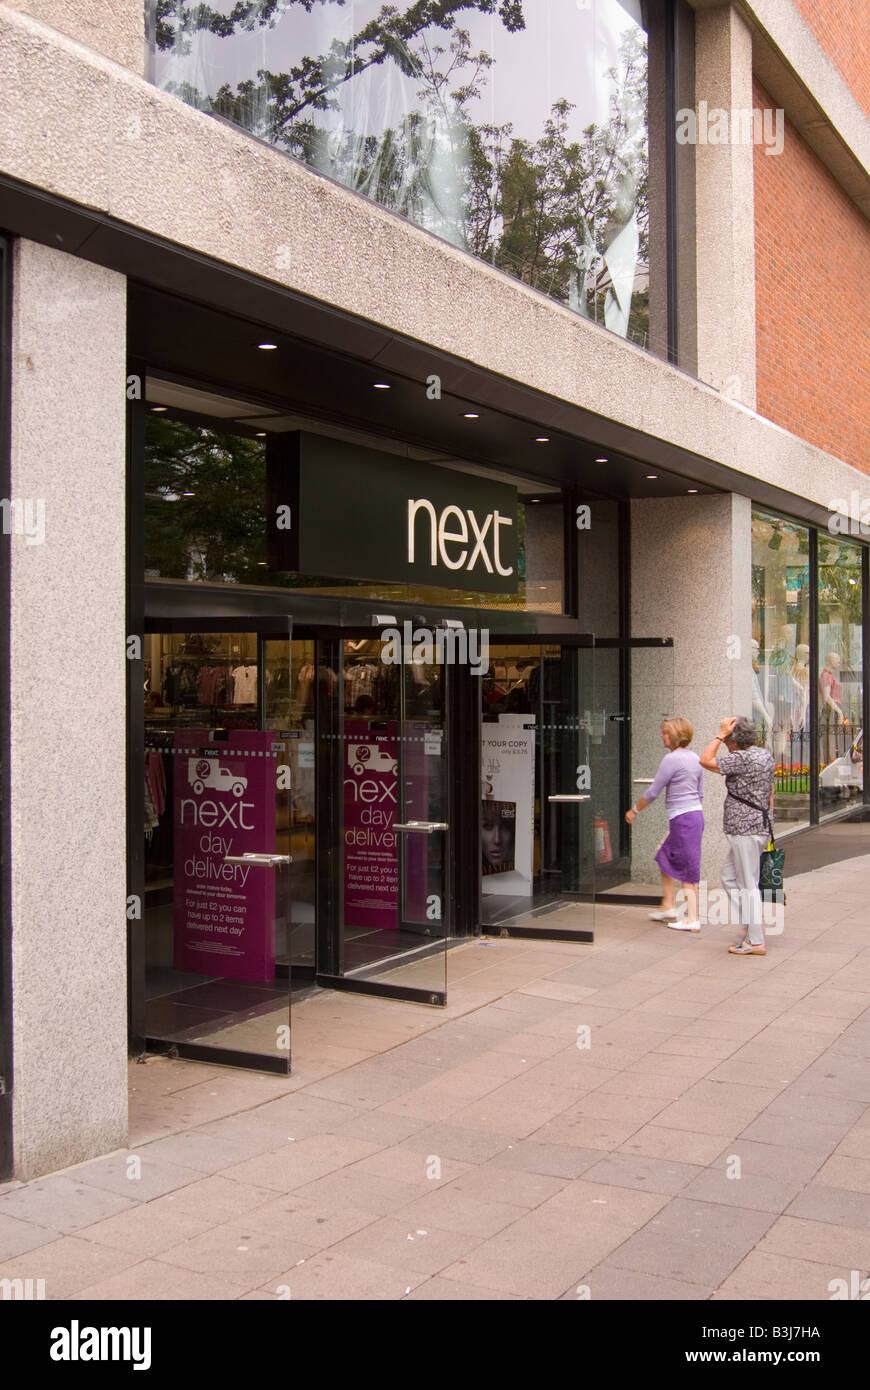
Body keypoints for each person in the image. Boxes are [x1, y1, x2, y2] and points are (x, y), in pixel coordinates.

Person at [700, 715, 775, 956]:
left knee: (747, 885)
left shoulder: (740, 758)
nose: (724, 744)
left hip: (745, 830)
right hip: (758, 826)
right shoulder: (763, 755)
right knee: (729, 877)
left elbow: (705, 760)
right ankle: (747, 924)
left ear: (733, 740)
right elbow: (771, 790)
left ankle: (756, 941)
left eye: (727, 740)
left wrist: (720, 734)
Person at [625, 717, 703, 932]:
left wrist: (634, 810)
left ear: (675, 736)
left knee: (687, 867)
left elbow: (652, 792)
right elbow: (701, 792)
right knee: (663, 853)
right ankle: (668, 905)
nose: (662, 736)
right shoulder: (695, 758)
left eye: (665, 733)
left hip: (683, 818)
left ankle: (692, 918)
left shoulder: (672, 760)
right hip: (691, 817)